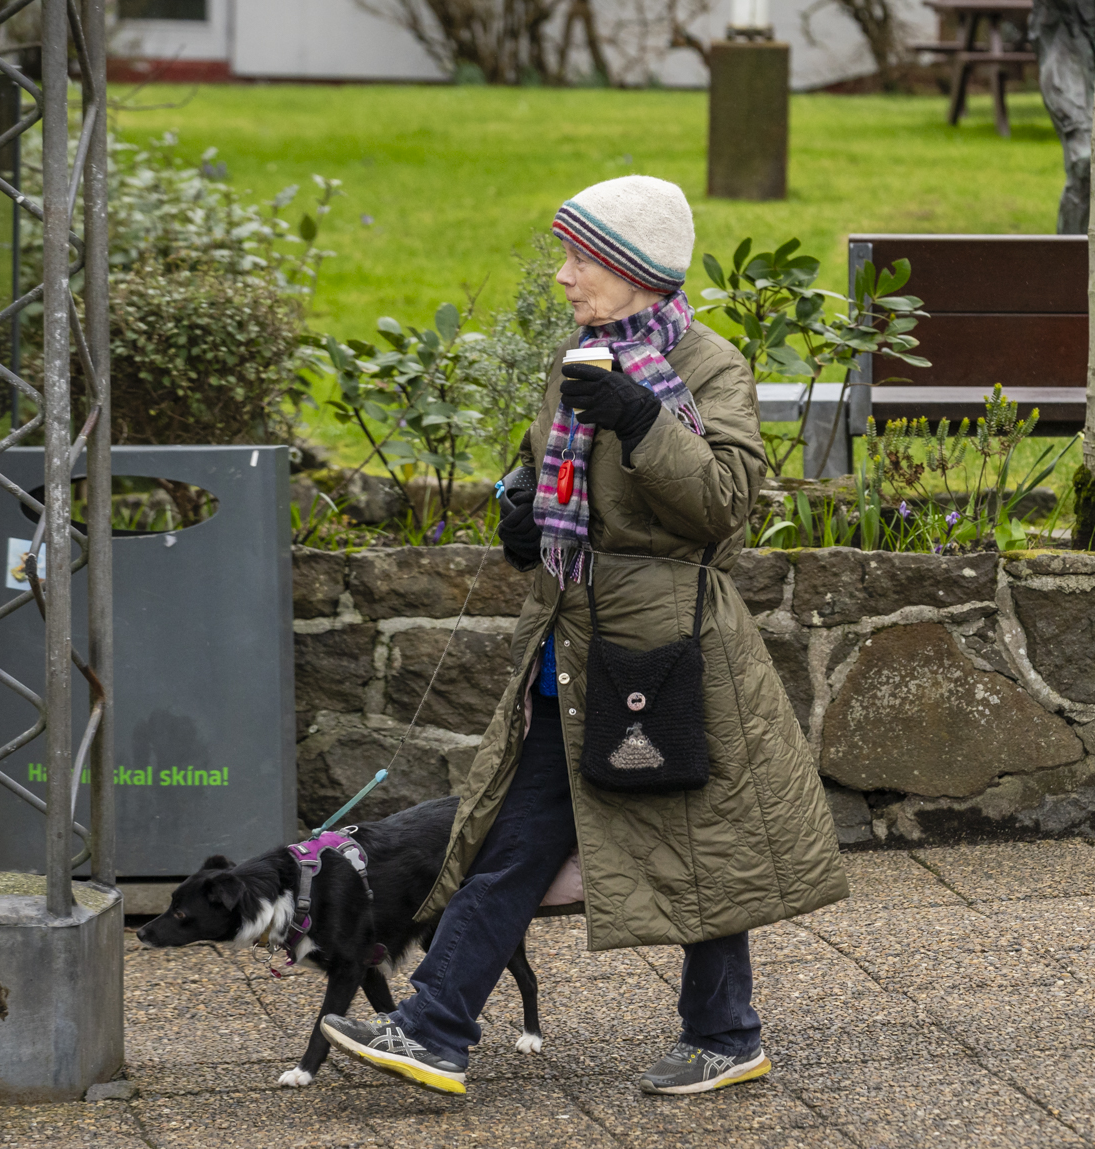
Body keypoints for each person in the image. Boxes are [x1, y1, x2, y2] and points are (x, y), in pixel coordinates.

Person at [320, 175, 849, 1096]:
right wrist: (517, 513)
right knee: (512, 844)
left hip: (665, 655)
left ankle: (723, 1035)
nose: (563, 276)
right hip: (568, 654)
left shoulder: (707, 366)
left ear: (638, 271)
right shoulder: (583, 356)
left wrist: (644, 422)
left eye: (580, 259)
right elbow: (537, 473)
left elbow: (724, 508)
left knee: (697, 845)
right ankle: (438, 1026)